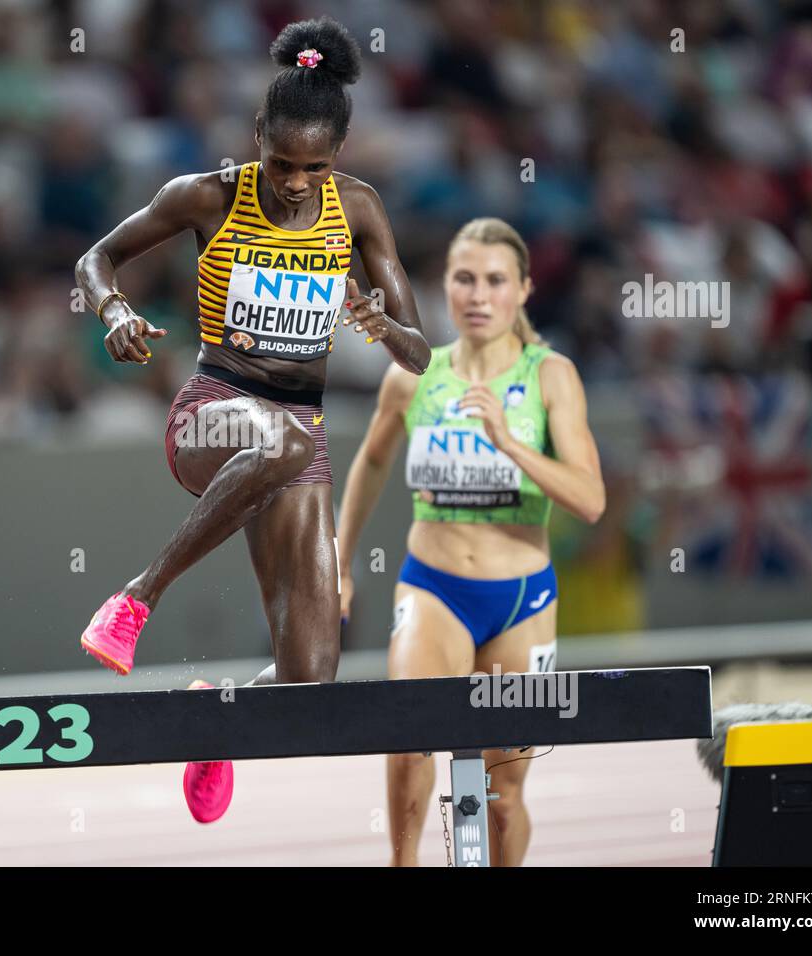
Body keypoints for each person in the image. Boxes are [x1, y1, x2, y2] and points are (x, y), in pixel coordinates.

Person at [74, 17, 429, 824]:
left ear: (337, 157)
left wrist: (376, 320)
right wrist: (114, 311)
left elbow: (421, 356)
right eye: (282, 163)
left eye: (316, 167)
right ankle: (136, 598)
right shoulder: (208, 195)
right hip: (212, 415)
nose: (297, 182)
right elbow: (94, 259)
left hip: (293, 438)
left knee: (309, 678)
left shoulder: (360, 210)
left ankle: (217, 714)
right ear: (256, 135)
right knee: (287, 436)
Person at [336, 218, 605, 865]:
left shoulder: (550, 377)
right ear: (445, 287)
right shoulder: (412, 375)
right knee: (410, 738)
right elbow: (372, 462)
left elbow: (591, 499)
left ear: (523, 289)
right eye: (464, 279)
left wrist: (510, 444)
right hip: (434, 585)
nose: (478, 295)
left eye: (494, 281)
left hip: (522, 600)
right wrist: (339, 562)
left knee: (502, 793)